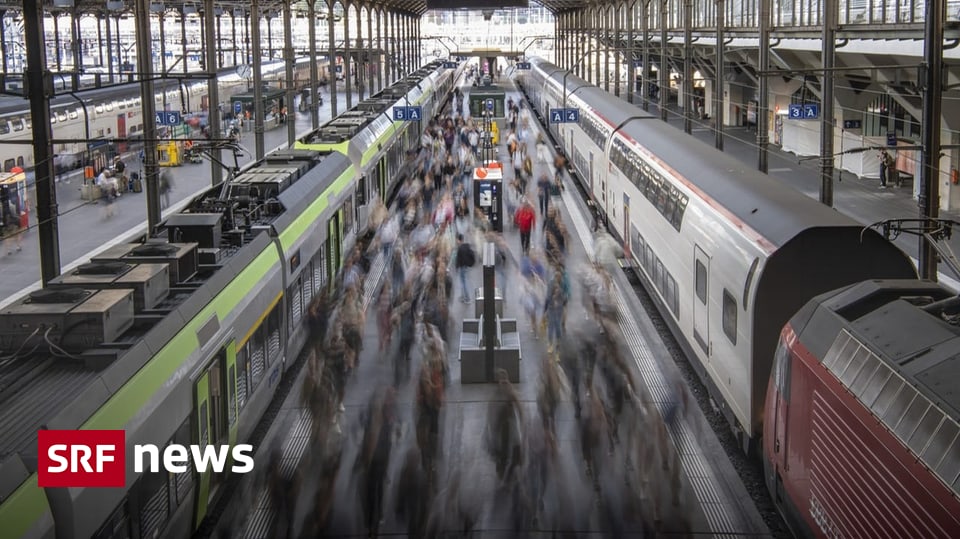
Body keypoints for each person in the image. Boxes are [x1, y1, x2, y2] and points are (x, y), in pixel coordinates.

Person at [455, 233, 476, 303]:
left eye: (457, 240)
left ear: (459, 240)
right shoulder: (466, 246)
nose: (456, 241)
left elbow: (459, 259)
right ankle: (463, 296)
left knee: (463, 283)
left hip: (462, 267)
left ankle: (467, 298)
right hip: (466, 267)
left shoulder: (460, 248)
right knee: (465, 281)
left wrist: (457, 267)